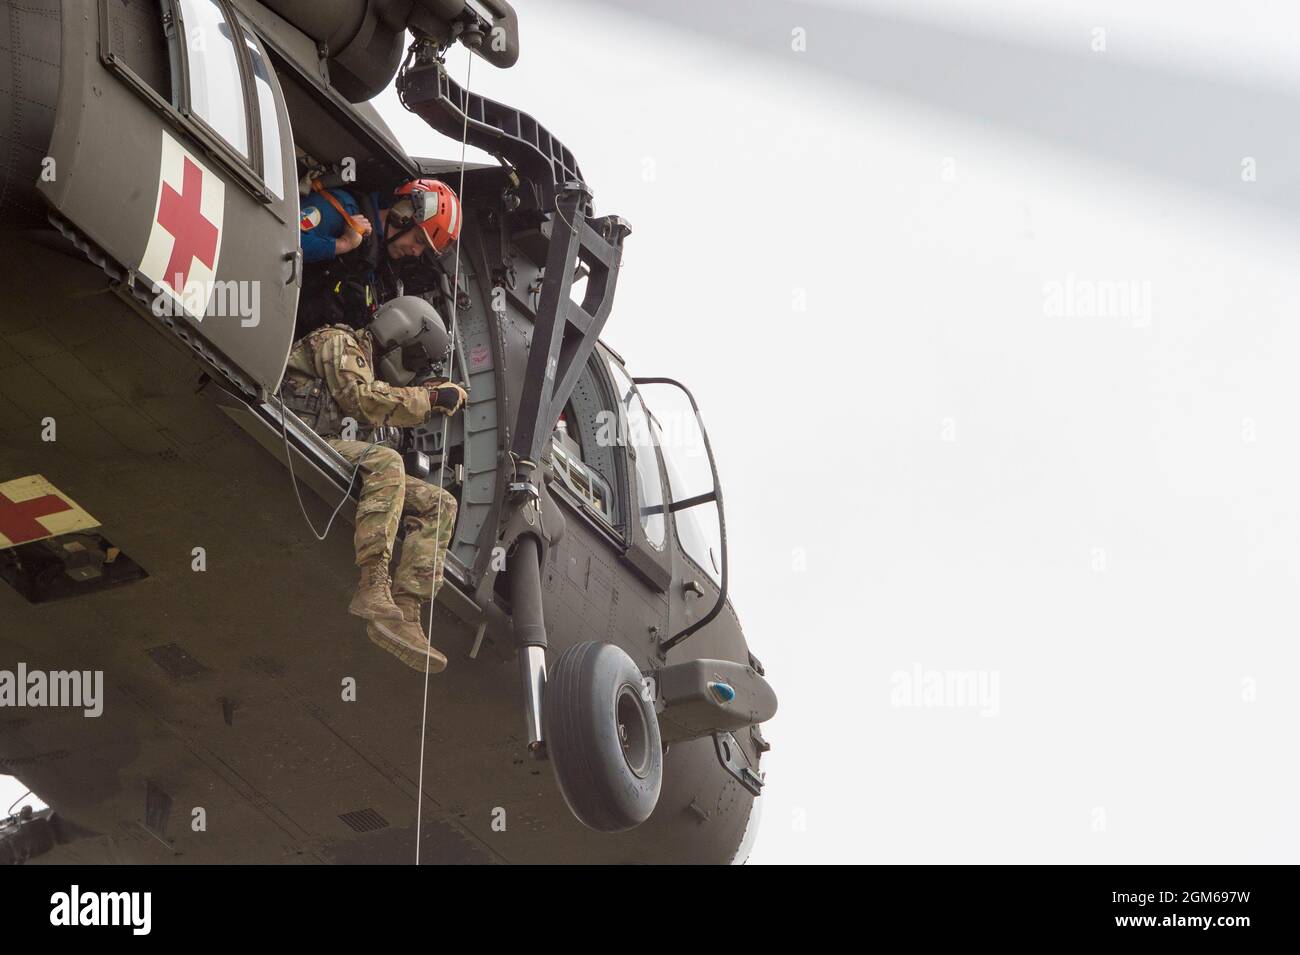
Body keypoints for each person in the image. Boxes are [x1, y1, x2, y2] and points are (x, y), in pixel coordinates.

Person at [280, 296, 468, 672]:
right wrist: (427, 398)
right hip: (297, 431)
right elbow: (361, 401)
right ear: (398, 333)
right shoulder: (340, 342)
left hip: (333, 448)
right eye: (414, 359)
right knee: (387, 461)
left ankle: (406, 611)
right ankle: (372, 582)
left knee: (440, 503)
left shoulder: (376, 376)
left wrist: (424, 393)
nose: (410, 371)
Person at [296, 177, 461, 336]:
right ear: (403, 214)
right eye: (418, 240)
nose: (416, 252)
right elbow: (284, 237)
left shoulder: (378, 267)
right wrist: (342, 244)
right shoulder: (342, 209)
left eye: (423, 249)